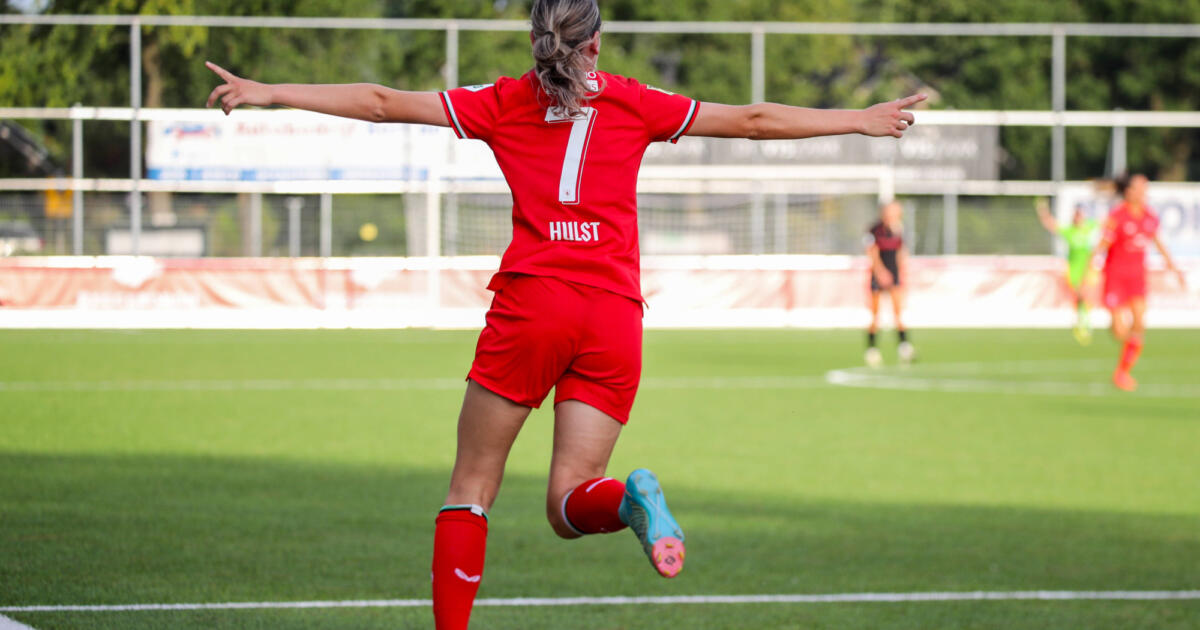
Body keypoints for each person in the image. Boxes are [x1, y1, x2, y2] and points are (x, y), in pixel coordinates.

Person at [206, 1, 924, 627]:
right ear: (596, 44)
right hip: (613, 315)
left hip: (534, 303)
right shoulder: (635, 101)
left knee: (472, 487)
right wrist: (859, 119)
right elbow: (756, 121)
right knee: (569, 503)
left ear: (534, 41)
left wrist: (270, 92)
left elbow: (381, 100)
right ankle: (631, 499)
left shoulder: (503, 101)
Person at [1092, 174, 1186, 391]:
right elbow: (1103, 243)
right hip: (1115, 276)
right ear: (1129, 192)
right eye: (1139, 188)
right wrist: (1091, 268)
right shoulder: (1117, 216)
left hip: (1137, 278)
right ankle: (1127, 350)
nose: (1143, 192)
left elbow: (1158, 242)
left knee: (1139, 324)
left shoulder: (1150, 217)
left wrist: (1174, 268)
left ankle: (1122, 372)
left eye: (1145, 188)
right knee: (1118, 331)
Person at [1036, 198, 1100, 344]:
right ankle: (1082, 322)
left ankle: (1084, 324)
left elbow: (1106, 222)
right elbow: (1051, 224)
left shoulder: (1088, 227)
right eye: (1076, 214)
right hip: (1073, 269)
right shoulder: (1069, 231)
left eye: (1080, 214)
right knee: (1079, 297)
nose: (1077, 217)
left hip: (1087, 268)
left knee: (1085, 295)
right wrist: (1042, 210)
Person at [864, 201, 913, 367]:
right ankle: (872, 349)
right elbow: (872, 253)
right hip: (879, 275)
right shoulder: (875, 230)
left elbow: (901, 251)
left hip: (894, 274)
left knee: (898, 312)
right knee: (875, 315)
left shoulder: (898, 230)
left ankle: (904, 347)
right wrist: (881, 273)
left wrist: (899, 271)